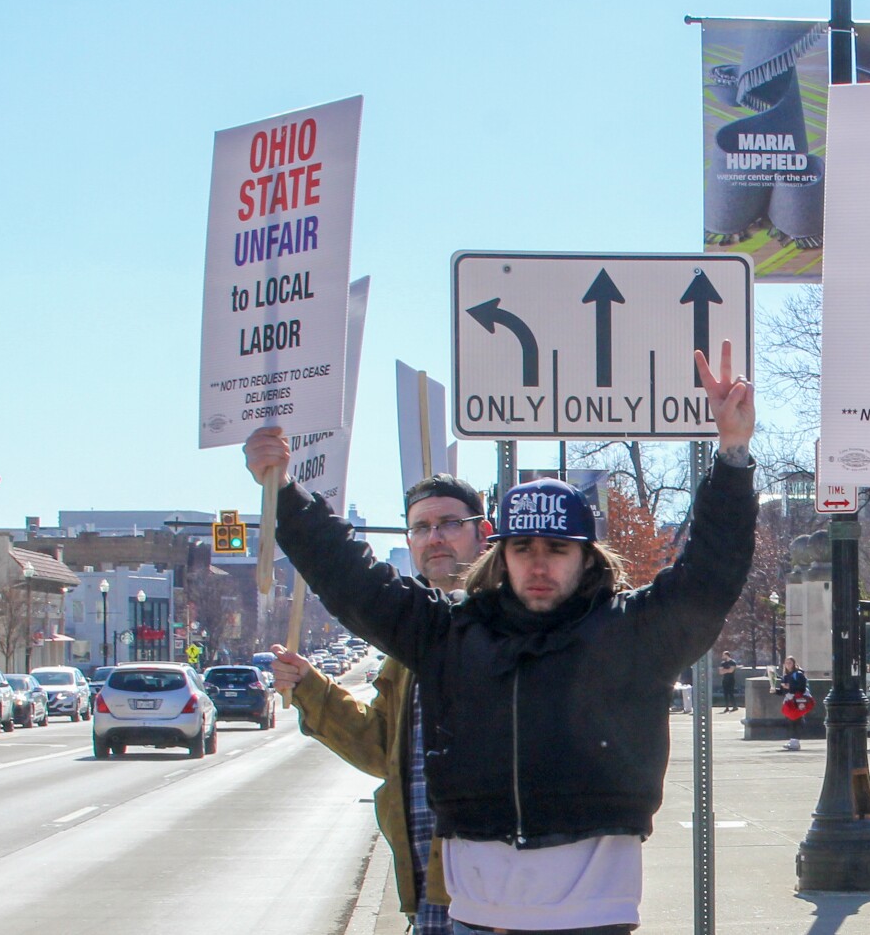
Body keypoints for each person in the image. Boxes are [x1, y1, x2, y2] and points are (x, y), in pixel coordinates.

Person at [244, 345, 756, 935]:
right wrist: (284, 495)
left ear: (586, 557)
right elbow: (354, 580)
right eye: (523, 548)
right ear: (501, 554)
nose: (539, 565)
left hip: (596, 919)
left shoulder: (631, 634)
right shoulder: (449, 634)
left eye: (557, 549)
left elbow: (711, 574)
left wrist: (733, 456)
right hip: (472, 919)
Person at [271, 473, 488, 935]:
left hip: (494, 896)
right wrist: (312, 689)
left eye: (449, 523)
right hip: (431, 895)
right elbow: (384, 750)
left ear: (483, 533)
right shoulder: (413, 642)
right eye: (420, 528)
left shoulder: (502, 621)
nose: (434, 538)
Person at [769, 655, 810, 751]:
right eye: (786, 663)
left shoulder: (798, 674)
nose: (788, 665)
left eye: (790, 663)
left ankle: (795, 741)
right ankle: (793, 741)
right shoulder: (786, 676)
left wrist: (789, 687)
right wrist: (775, 691)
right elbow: (784, 691)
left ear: (794, 664)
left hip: (797, 700)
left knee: (796, 720)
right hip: (790, 700)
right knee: (791, 720)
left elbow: (802, 688)